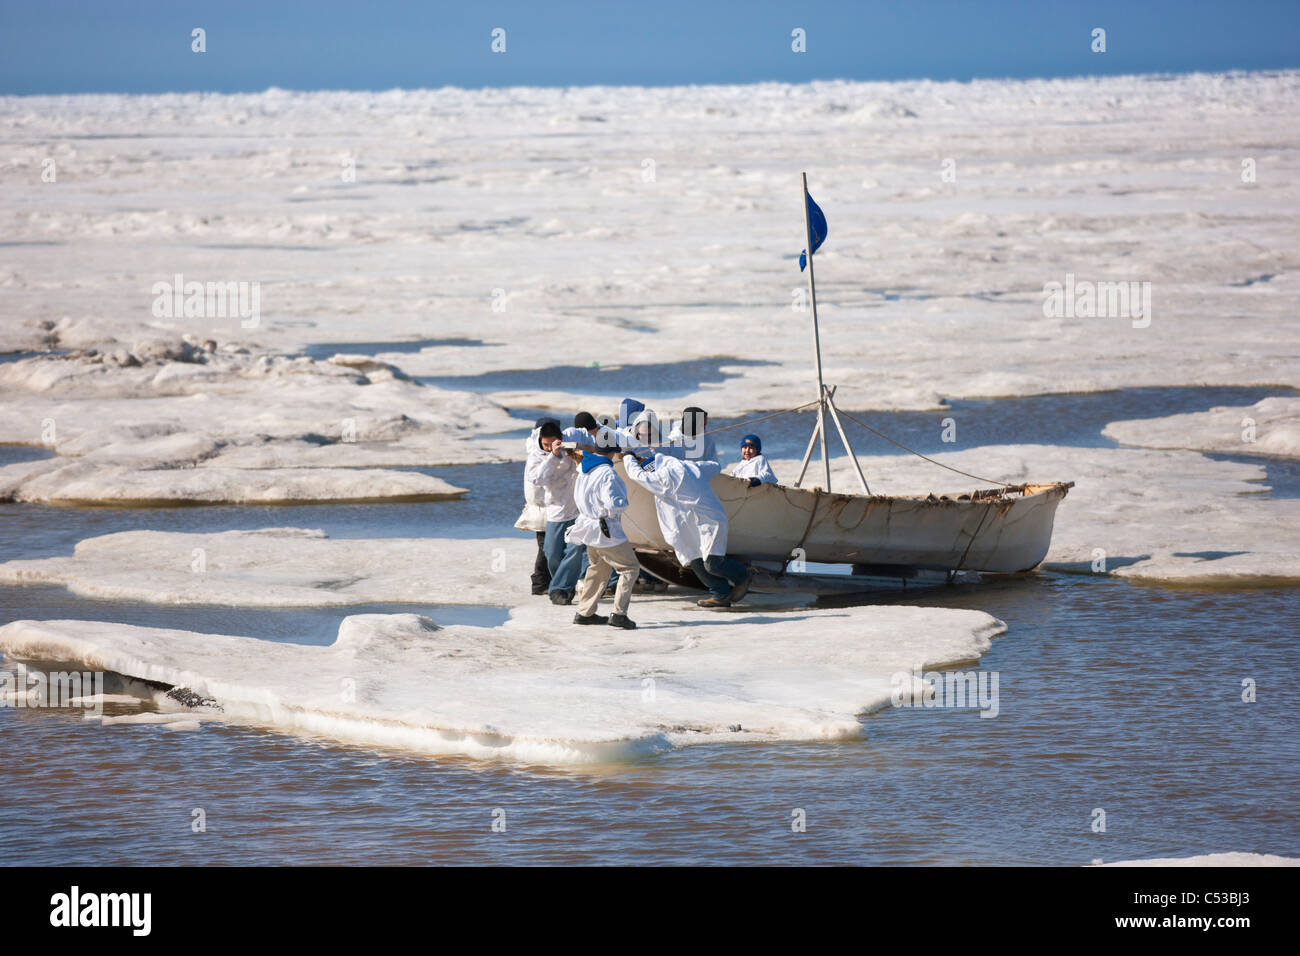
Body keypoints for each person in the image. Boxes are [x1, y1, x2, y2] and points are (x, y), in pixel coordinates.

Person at [623, 451, 751, 608]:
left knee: (712, 563)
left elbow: (638, 476)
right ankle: (721, 595)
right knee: (696, 562)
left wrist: (628, 458)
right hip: (691, 528)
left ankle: (743, 576)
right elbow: (714, 466)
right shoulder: (688, 467)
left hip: (709, 521)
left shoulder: (665, 475)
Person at [566, 435, 641, 629]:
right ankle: (619, 614)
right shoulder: (607, 472)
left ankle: (585, 612)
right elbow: (615, 504)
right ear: (613, 452)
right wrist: (622, 505)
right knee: (629, 568)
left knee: (598, 568)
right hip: (605, 529)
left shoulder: (583, 468)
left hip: (588, 527)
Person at [525, 421, 588, 604]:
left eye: (553, 443)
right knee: (551, 553)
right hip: (555, 511)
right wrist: (552, 455)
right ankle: (563, 584)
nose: (549, 446)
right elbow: (537, 479)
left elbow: (589, 434)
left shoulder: (570, 441)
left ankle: (561, 590)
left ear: (560, 439)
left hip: (577, 510)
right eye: (546, 444)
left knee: (575, 550)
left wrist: (578, 453)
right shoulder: (537, 456)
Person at [516, 416, 560, 594]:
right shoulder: (537, 457)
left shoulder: (538, 451)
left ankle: (544, 582)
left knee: (547, 547)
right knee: (546, 548)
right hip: (543, 509)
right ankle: (540, 583)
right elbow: (536, 488)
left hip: (544, 508)